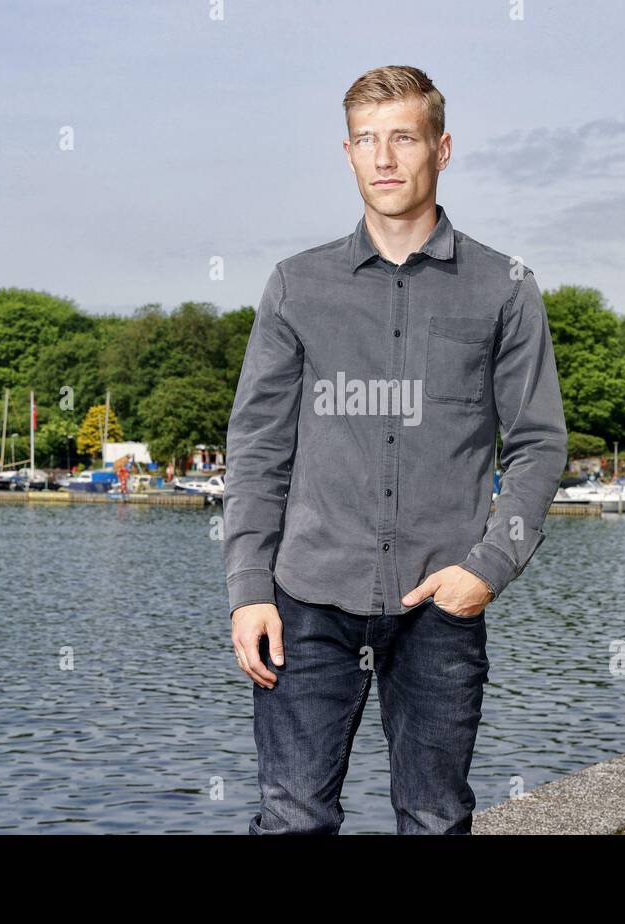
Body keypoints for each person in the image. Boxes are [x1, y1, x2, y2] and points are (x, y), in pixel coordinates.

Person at [223, 65, 568, 834]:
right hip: (305, 599)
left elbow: (540, 444)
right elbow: (256, 449)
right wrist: (249, 588)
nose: (384, 158)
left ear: (442, 149)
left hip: (439, 601)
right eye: (367, 141)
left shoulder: (505, 288)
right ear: (347, 153)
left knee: (435, 818)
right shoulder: (295, 285)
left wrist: (488, 569)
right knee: (293, 819)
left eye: (402, 138)